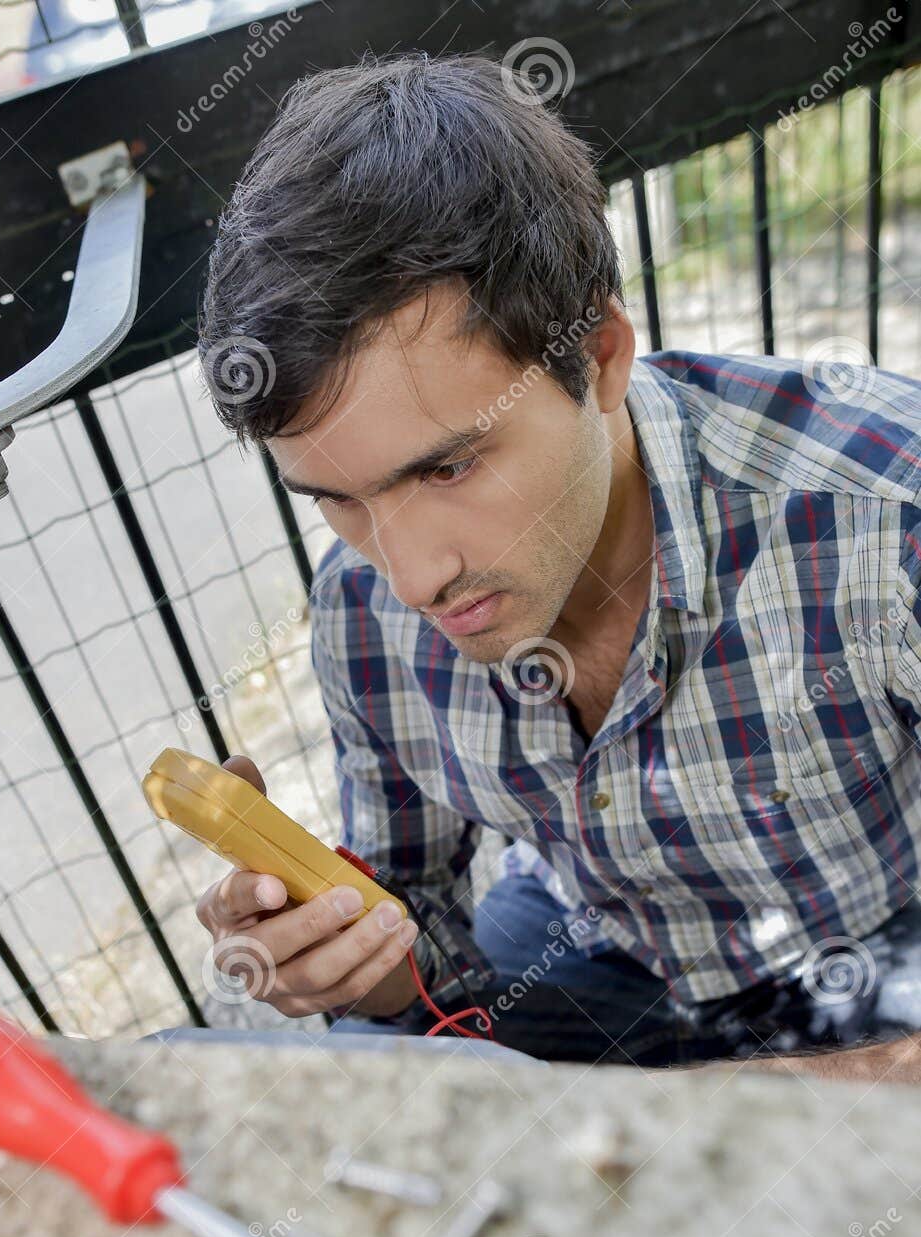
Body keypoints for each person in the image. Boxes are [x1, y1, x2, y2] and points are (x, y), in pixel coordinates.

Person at [187, 50, 921, 1079]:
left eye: (446, 467)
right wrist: (357, 964)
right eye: (339, 499)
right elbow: (427, 948)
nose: (409, 580)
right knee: (378, 1081)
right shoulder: (362, 613)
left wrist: (774, 1099)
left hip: (873, 963)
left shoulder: (885, 519)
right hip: (604, 944)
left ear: (602, 354)